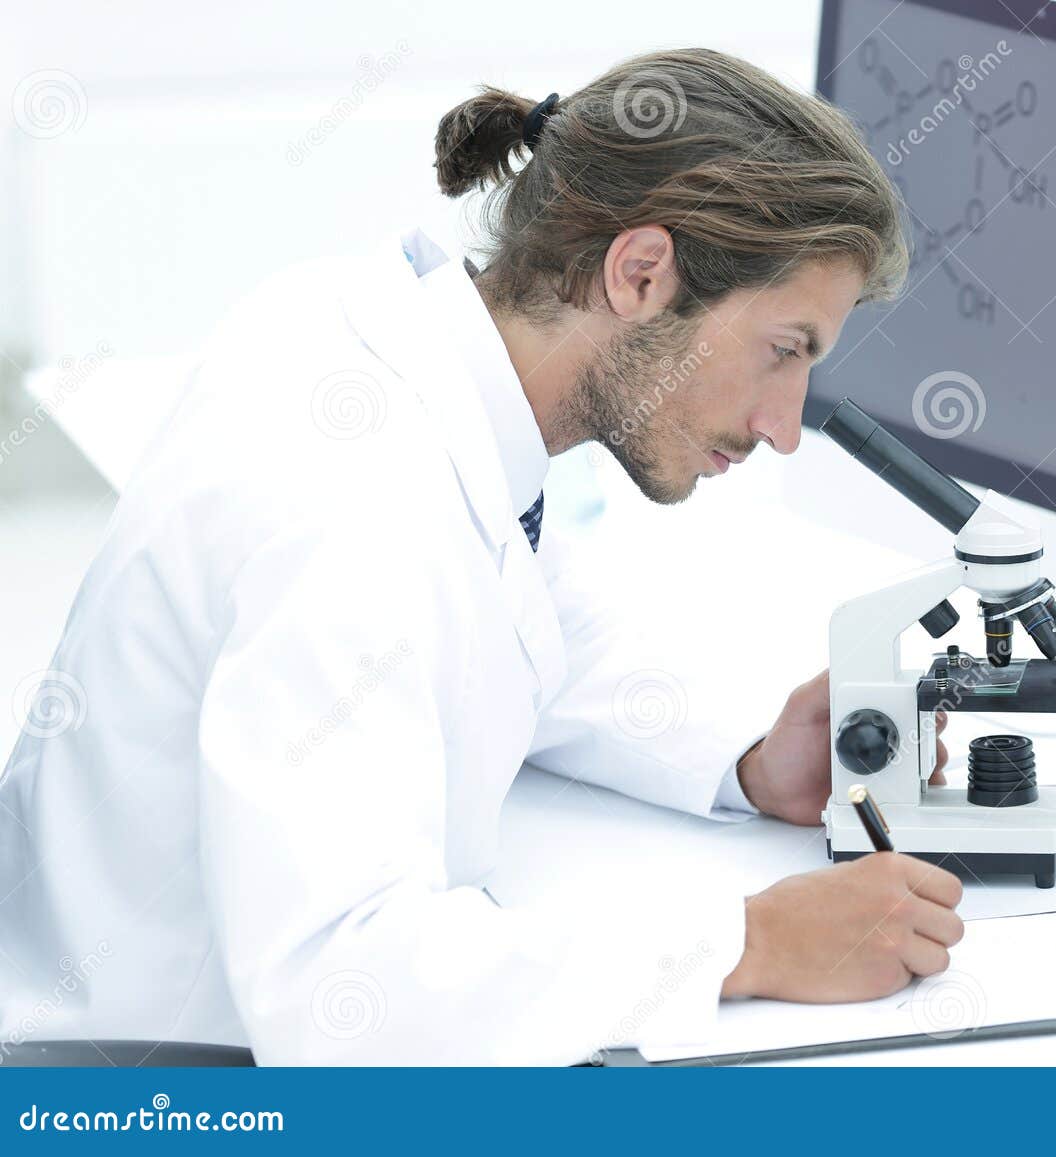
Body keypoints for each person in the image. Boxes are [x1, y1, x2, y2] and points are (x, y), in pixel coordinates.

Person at [0, 49, 965, 1064]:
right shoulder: (358, 503)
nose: (784, 425)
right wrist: (746, 940)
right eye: (785, 348)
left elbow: (509, 611)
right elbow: (339, 981)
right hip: (141, 1077)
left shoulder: (378, 331)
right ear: (639, 273)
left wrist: (749, 759)